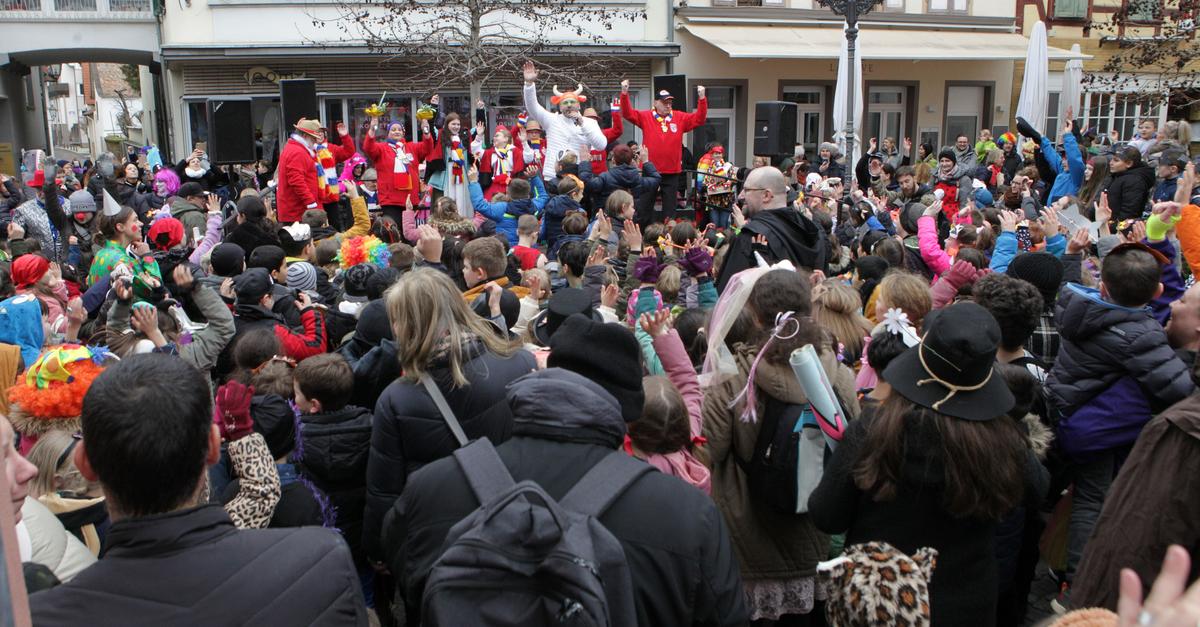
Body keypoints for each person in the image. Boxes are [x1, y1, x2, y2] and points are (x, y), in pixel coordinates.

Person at [384, 359, 748, 625]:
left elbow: (402, 571)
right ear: (623, 417)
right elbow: (724, 615)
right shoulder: (689, 513)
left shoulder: (429, 486)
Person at [27, 354, 367, 625]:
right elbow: (261, 492)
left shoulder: (43, 614)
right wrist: (243, 435)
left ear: (85, 463)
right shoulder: (323, 560)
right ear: (214, 448)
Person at [809, 302, 1047, 625]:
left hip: (878, 602)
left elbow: (827, 515)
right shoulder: (1004, 439)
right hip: (965, 606)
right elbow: (1039, 490)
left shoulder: (874, 427)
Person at [702, 268, 859, 624]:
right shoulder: (838, 374)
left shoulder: (735, 377)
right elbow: (851, 445)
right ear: (809, 308)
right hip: (814, 532)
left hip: (748, 536)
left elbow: (710, 449)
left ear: (755, 316)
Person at [1046, 242, 1195, 610]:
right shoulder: (1142, 335)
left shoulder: (1075, 304)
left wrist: (1072, 257)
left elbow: (1067, 282)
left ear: (1102, 286)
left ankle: (1055, 558)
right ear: (1158, 293)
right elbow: (1179, 388)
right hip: (1094, 430)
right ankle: (1076, 583)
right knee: (1092, 500)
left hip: (1067, 405)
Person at [363, 268, 535, 566]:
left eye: (397, 319)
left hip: (443, 541)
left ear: (411, 325)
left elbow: (384, 492)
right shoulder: (521, 360)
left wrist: (378, 553)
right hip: (516, 518)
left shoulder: (397, 399)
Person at [293, 353, 373, 566]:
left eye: (296, 394)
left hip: (318, 540)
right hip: (362, 536)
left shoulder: (294, 440)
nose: (294, 400)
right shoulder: (373, 426)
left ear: (314, 405)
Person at [715, 166, 825, 292]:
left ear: (766, 195)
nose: (741, 196)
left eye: (746, 190)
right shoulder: (812, 232)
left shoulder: (752, 236)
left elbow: (729, 293)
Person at [619, 78, 707, 224]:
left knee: (670, 212)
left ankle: (667, 236)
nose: (668, 105)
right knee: (644, 208)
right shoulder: (646, 116)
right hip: (650, 170)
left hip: (672, 172)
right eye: (664, 102)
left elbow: (699, 119)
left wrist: (702, 99)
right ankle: (641, 234)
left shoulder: (680, 117)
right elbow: (628, 114)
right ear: (655, 103)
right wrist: (624, 93)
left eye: (670, 102)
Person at [521, 61, 608, 179]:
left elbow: (601, 145)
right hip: (553, 176)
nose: (569, 105)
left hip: (578, 176)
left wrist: (582, 123)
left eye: (572, 102)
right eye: (565, 103)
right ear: (560, 106)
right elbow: (533, 107)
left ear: (579, 105)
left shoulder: (589, 123)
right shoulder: (552, 120)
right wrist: (529, 84)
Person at [363, 117, 434, 226]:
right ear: (388, 133)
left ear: (403, 133)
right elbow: (368, 147)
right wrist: (372, 129)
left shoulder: (411, 147)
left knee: (409, 231)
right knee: (394, 231)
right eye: (393, 129)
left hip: (410, 200)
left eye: (399, 129)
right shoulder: (382, 148)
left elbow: (428, 148)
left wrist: (426, 130)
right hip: (390, 201)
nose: (397, 131)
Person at [276, 117, 325, 224]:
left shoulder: (296, 149)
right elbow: (296, 181)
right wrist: (311, 202)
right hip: (298, 212)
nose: (315, 141)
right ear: (305, 136)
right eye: (313, 138)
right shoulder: (297, 152)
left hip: (299, 210)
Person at [1105, 145, 1156, 222]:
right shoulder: (1118, 175)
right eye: (1112, 159)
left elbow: (1129, 211)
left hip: (1118, 226)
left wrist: (1114, 225)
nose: (1111, 163)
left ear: (1129, 163)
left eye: (1116, 160)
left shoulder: (1134, 181)